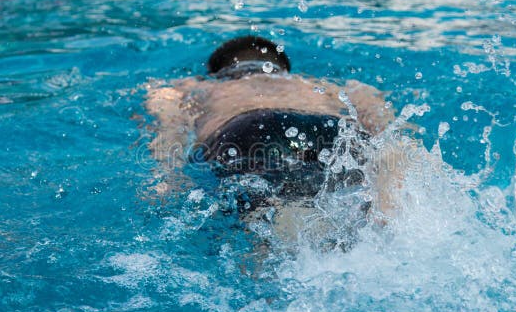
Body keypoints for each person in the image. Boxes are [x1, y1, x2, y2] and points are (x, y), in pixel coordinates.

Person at [144, 35, 399, 249]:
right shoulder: (324, 86)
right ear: (284, 69)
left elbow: (168, 129)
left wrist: (165, 177)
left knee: (269, 232)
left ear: (215, 73)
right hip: (333, 128)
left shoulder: (190, 87)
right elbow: (385, 129)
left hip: (250, 129)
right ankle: (388, 214)